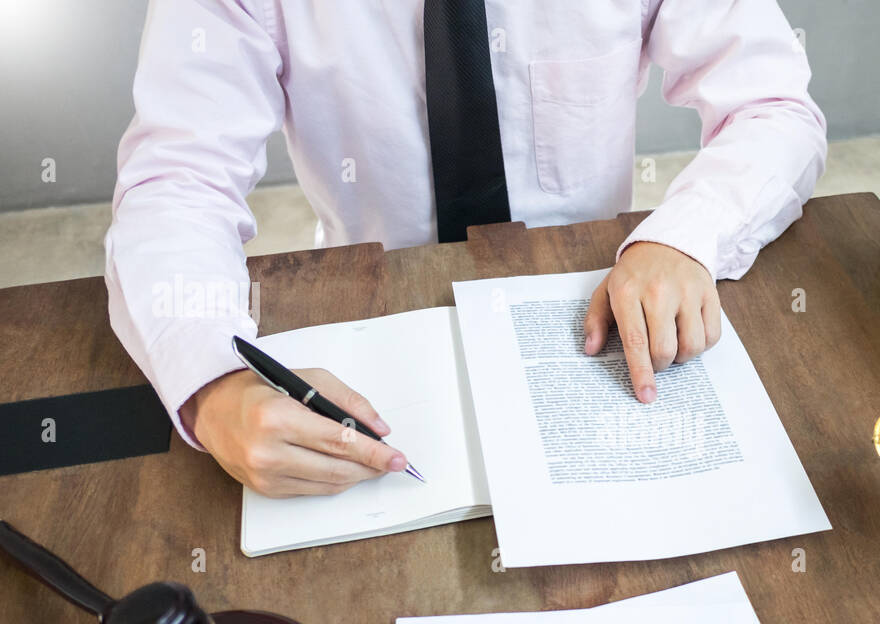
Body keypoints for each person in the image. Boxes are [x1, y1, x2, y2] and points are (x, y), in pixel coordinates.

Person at [106, 1, 827, 497]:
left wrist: (685, 237)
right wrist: (210, 381)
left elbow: (773, 107)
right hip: (377, 303)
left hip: (590, 308)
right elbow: (178, 181)